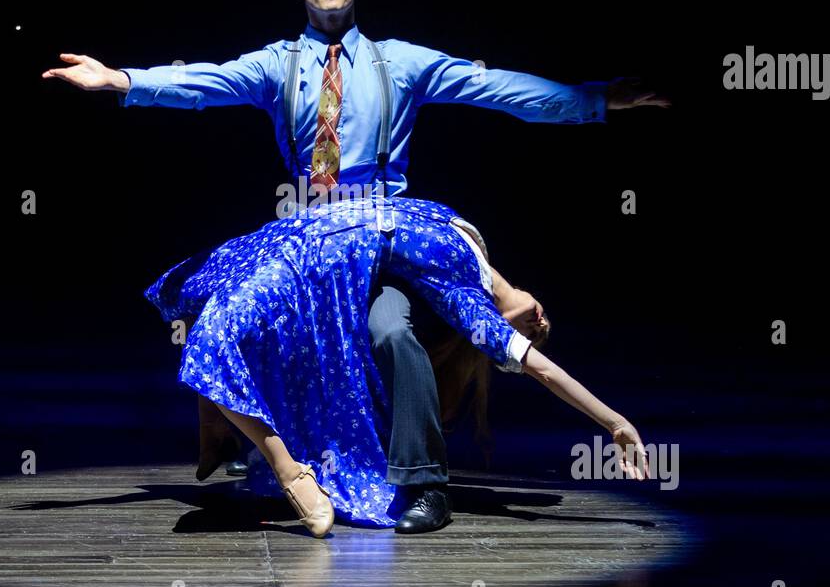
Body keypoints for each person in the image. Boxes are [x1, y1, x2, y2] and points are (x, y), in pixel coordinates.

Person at [43, 0, 669, 532]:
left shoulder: (400, 63)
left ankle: (424, 483)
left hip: (386, 235)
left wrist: (595, 99)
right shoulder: (278, 65)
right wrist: (122, 80)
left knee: (393, 330)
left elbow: (497, 88)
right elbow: (200, 81)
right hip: (312, 237)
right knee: (230, 309)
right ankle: (273, 455)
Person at [144, 194, 651, 537]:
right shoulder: (453, 221)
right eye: (539, 320)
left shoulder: (465, 295)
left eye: (532, 329)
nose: (537, 316)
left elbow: (543, 370)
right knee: (192, 294)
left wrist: (615, 422)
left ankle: (289, 469)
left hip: (316, 266)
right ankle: (217, 423)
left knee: (214, 336)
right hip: (289, 235)